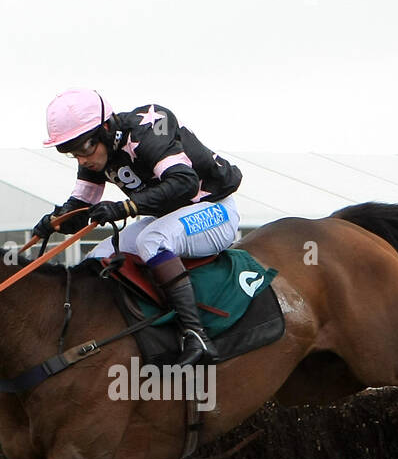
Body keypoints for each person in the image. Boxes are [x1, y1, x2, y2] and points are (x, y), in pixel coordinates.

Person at [33, 89, 242, 366]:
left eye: (84, 147)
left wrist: (123, 208)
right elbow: (79, 211)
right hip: (171, 216)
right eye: (72, 152)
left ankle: (196, 333)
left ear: (106, 129)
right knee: (97, 255)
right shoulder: (96, 155)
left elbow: (184, 181)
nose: (82, 159)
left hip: (216, 211)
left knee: (151, 240)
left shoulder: (146, 133)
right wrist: (53, 221)